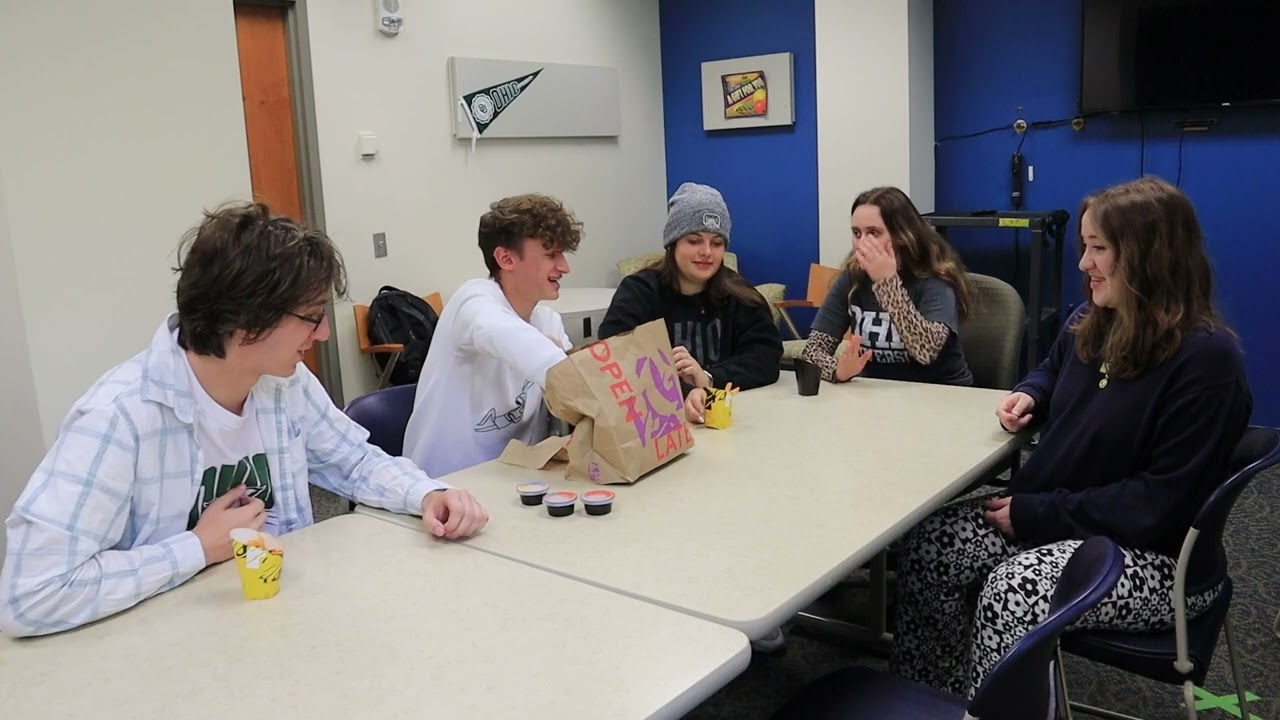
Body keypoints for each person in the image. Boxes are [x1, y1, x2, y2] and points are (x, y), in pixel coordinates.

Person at [0, 203, 488, 638]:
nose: (321, 334)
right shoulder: (119, 417)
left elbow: (355, 463)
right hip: (165, 652)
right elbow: (33, 595)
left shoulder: (283, 383)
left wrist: (427, 494)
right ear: (245, 318)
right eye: (311, 316)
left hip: (274, 625)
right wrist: (196, 548)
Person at [890, 177, 1253, 697]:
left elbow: (1156, 508)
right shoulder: (1094, 320)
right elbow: (1051, 369)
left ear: (1152, 257)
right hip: (1068, 517)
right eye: (1084, 246)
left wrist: (1035, 514)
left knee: (1011, 592)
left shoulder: (1206, 363)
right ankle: (929, 701)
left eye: (1099, 249)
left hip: (1159, 562)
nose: (1083, 263)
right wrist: (1033, 394)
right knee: (931, 545)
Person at [403, 193, 580, 477]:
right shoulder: (473, 301)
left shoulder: (548, 322)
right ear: (506, 258)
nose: (564, 267)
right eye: (551, 255)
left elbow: (574, 402)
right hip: (445, 483)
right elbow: (501, 332)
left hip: (515, 479)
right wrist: (564, 364)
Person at [597, 182, 781, 425]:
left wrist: (707, 378)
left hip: (729, 422)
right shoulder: (640, 292)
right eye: (694, 240)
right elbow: (615, 359)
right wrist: (683, 393)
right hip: (655, 427)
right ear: (673, 243)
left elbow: (766, 357)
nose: (706, 252)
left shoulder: (741, 295)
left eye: (716, 243)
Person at [801, 186, 973, 386]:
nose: (862, 243)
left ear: (902, 236)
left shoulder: (934, 281)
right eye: (857, 233)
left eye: (873, 233)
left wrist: (887, 285)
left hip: (941, 393)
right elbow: (812, 352)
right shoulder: (852, 279)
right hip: (880, 393)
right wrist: (836, 371)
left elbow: (925, 351)